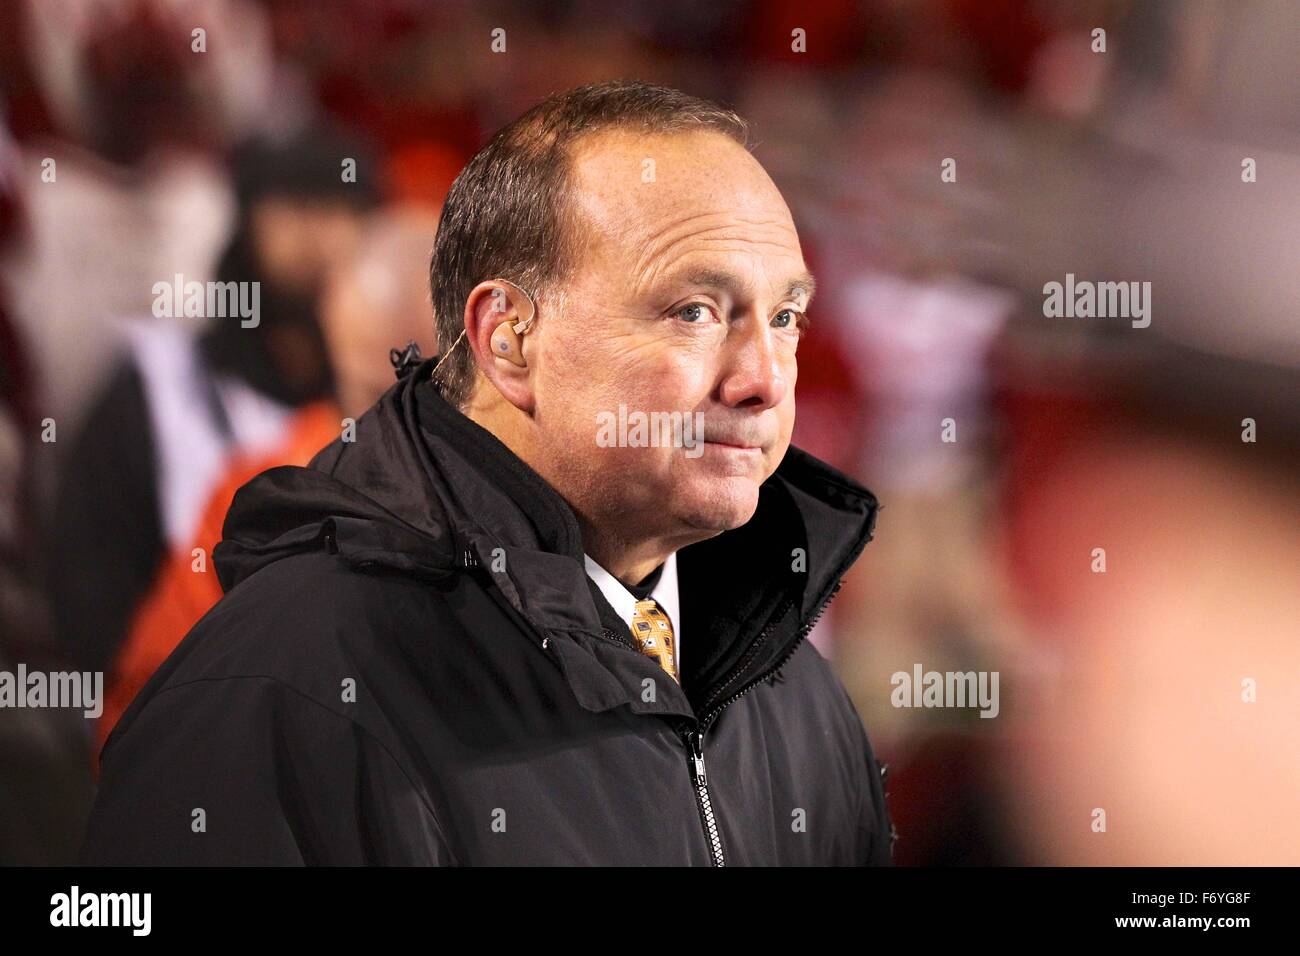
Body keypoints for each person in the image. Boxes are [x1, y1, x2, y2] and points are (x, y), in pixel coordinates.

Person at [81, 81, 896, 866]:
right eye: (693, 312)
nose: (765, 378)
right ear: (508, 341)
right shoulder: (282, 693)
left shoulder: (794, 692)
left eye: (785, 316)